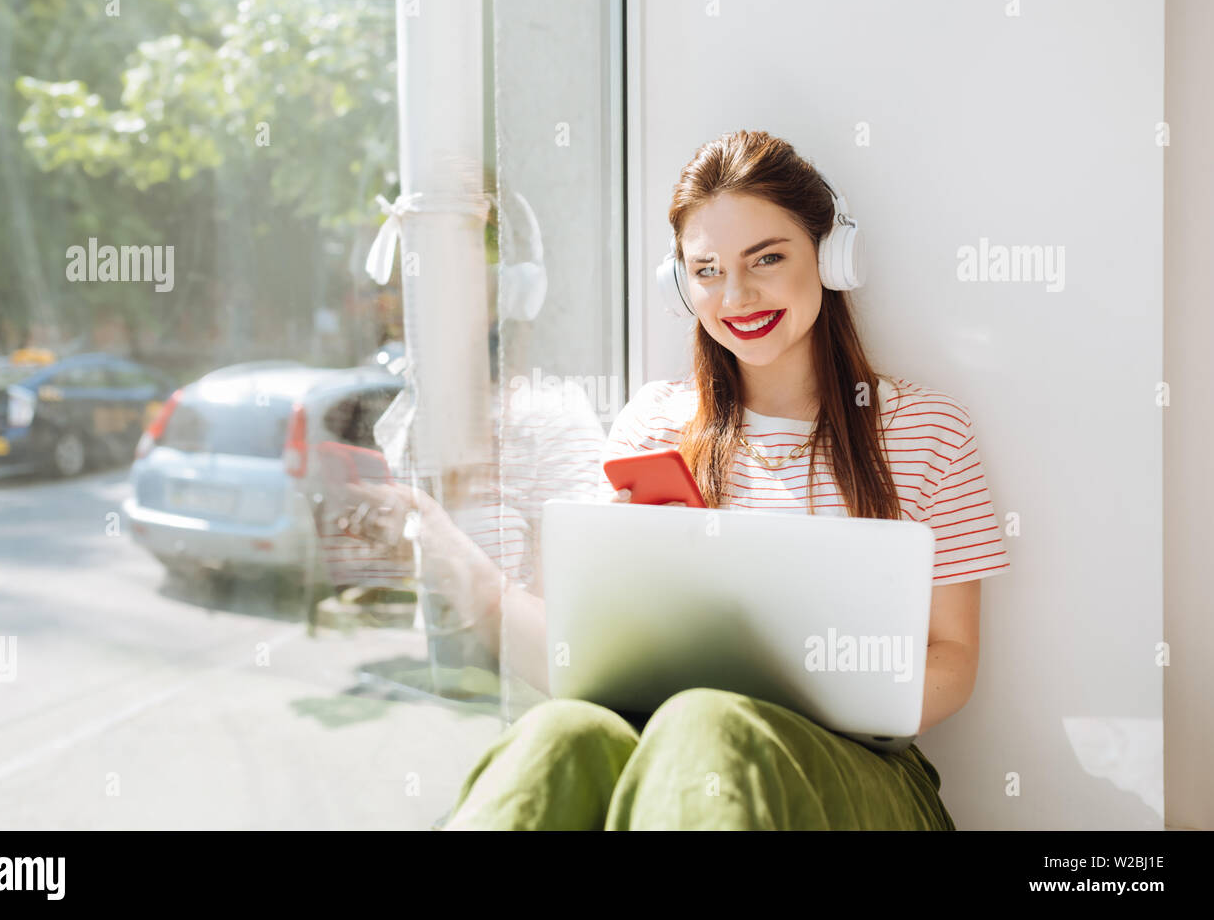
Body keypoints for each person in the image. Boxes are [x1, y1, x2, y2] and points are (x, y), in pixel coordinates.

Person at [346, 130, 1012, 829]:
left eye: (768, 259)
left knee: (706, 718)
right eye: (707, 269)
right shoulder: (656, 425)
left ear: (833, 256)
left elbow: (955, 659)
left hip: (863, 777)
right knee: (557, 736)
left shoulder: (925, 429)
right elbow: (581, 656)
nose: (737, 293)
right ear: (681, 283)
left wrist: (795, 702)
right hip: (670, 751)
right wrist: (455, 562)